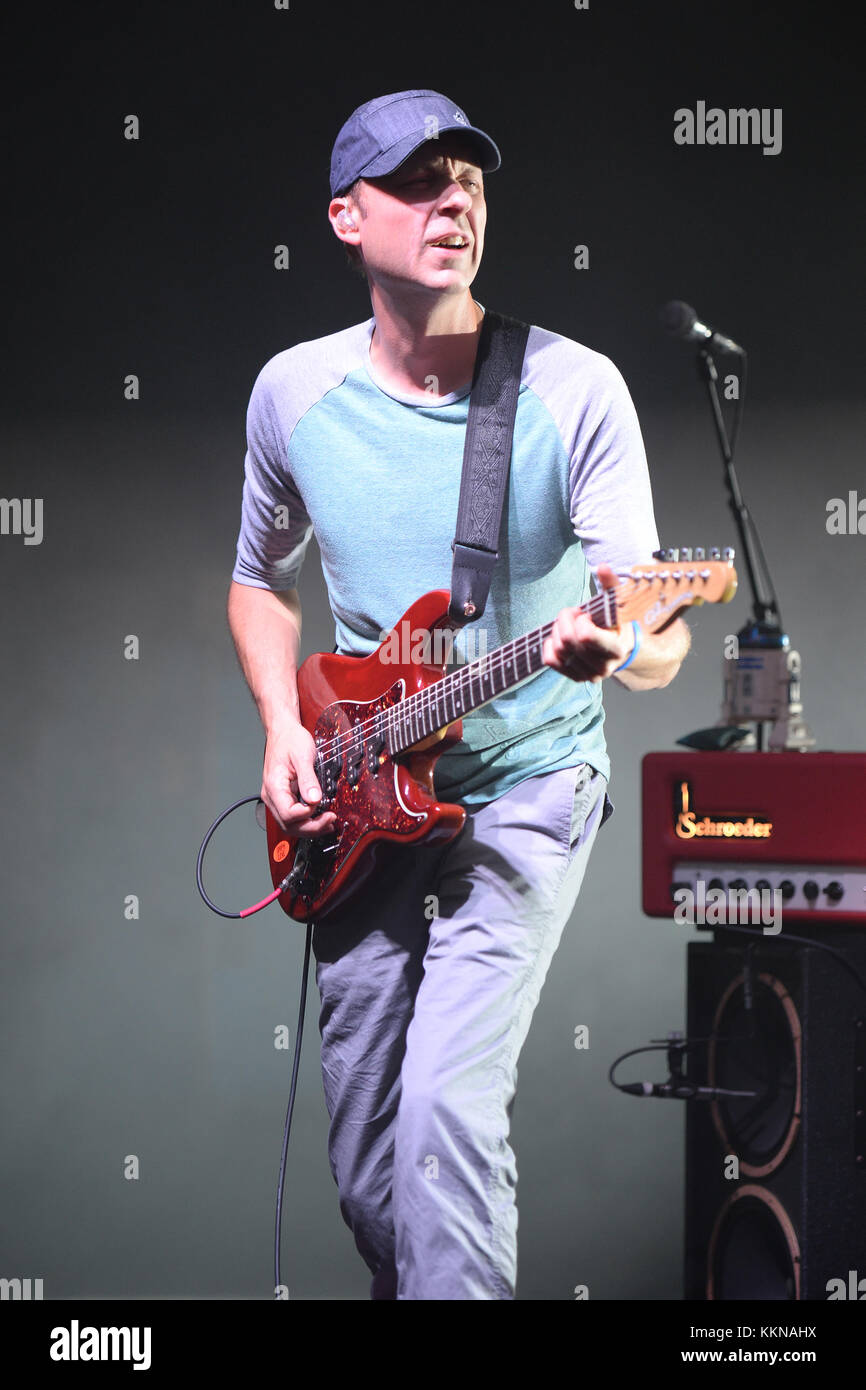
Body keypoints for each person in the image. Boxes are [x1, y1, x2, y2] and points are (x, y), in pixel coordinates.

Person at [227, 89, 690, 1300]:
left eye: (468, 181)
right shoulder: (292, 395)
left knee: (444, 1103)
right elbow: (254, 585)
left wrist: (618, 649)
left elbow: (650, 627)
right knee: (371, 1150)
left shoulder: (570, 388)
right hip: (363, 786)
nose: (453, 201)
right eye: (417, 181)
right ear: (345, 216)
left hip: (530, 778)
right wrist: (284, 723)